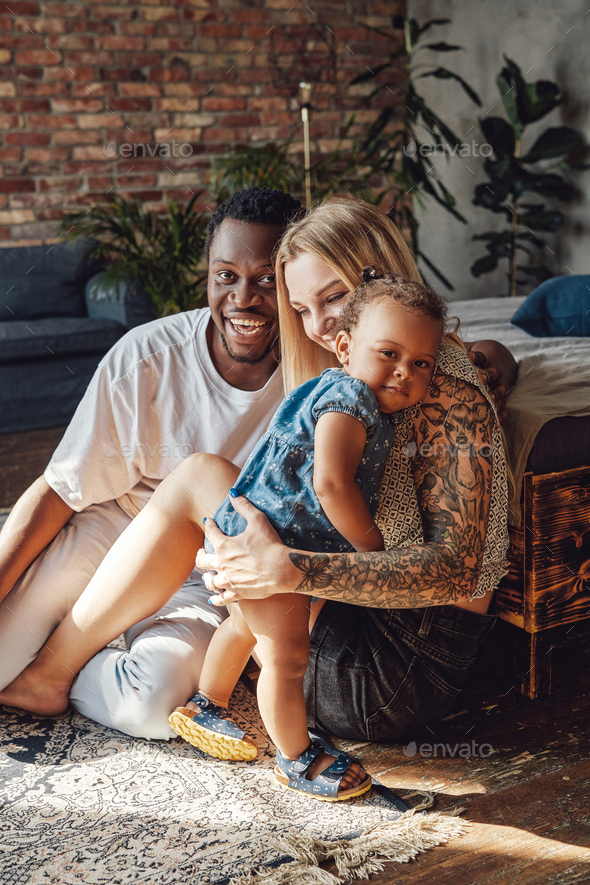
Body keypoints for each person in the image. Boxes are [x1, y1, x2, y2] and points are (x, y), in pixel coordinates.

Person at [0, 196, 515, 751]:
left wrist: (290, 570)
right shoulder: (368, 372)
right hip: (357, 633)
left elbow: (456, 574)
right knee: (215, 495)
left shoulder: (441, 389)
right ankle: (97, 656)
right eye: (302, 309)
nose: (319, 328)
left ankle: (58, 672)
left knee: (201, 479)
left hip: (384, 677)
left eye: (334, 299)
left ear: (375, 279)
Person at [163, 272, 445, 802]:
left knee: (245, 625)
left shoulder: (355, 398)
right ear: (345, 347)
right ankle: (294, 758)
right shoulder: (349, 397)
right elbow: (333, 484)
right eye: (388, 352)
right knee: (287, 656)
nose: (404, 371)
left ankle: (205, 704)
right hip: (275, 539)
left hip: (261, 531)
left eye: (421, 363)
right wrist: (373, 552)